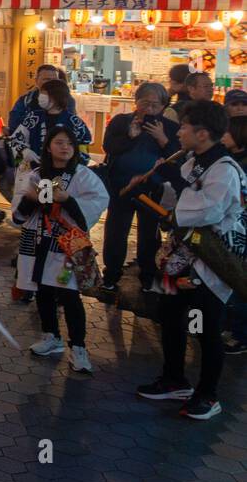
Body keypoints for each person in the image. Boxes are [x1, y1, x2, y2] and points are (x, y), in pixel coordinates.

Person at [135, 101, 244, 419]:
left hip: (210, 262)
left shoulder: (224, 168)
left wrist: (177, 197)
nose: (178, 131)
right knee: (170, 314)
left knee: (205, 328)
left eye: (183, 127)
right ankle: (174, 379)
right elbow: (178, 197)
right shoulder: (194, 159)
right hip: (182, 258)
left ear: (203, 133)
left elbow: (209, 209)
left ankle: (208, 395)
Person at [14, 126, 109, 372]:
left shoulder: (82, 175)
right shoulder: (37, 175)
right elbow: (20, 214)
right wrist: (30, 199)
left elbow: (99, 200)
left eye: (69, 143)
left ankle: (78, 347)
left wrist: (69, 200)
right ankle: (51, 336)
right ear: (48, 147)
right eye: (59, 142)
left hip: (66, 247)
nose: (65, 147)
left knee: (69, 295)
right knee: (43, 291)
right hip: (40, 243)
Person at [99, 82, 179, 291]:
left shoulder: (170, 128)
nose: (149, 109)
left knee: (148, 233)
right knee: (116, 231)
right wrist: (130, 137)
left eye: (155, 104)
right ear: (136, 102)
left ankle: (147, 274)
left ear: (163, 106)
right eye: (144, 103)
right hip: (121, 186)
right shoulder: (121, 121)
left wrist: (163, 139)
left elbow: (178, 157)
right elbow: (108, 147)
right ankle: (111, 274)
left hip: (153, 189)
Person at [7, 77, 92, 164]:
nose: (40, 98)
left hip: (66, 172)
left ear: (56, 97)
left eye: (44, 95)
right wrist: (23, 152)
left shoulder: (75, 123)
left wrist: (73, 164)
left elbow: (84, 151)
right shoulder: (33, 117)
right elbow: (13, 141)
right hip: (34, 170)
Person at [221, 116, 247, 356]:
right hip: (233, 230)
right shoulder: (229, 160)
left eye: (227, 132)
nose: (223, 135)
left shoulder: (237, 165)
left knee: (240, 281)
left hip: (239, 231)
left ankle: (241, 335)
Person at [7, 64, 71, 133]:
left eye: (54, 80)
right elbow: (14, 125)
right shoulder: (25, 101)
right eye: (46, 79)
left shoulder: (67, 100)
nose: (51, 83)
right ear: (36, 80)